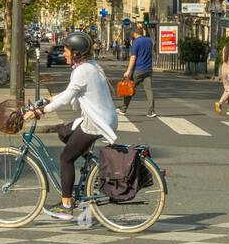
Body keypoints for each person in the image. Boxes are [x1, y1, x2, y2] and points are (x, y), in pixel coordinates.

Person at [23, 31, 118, 222]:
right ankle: (89, 166)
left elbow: (68, 97)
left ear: (76, 52)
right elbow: (71, 92)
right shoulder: (90, 66)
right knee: (64, 131)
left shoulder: (83, 70)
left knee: (66, 158)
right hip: (101, 118)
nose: (64, 53)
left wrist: (41, 111)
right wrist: (49, 99)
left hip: (96, 122)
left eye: (66, 50)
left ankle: (66, 206)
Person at [123, 23, 156, 118]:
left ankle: (123, 109)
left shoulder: (136, 42)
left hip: (139, 69)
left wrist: (128, 71)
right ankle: (151, 111)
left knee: (129, 88)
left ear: (135, 34)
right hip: (148, 69)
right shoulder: (149, 41)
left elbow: (133, 57)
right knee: (149, 91)